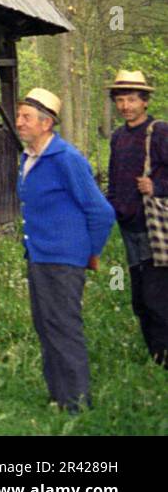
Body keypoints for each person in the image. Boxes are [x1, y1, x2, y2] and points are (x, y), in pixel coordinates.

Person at [15, 88, 115, 412]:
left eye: (26, 117)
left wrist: (89, 253)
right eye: (19, 116)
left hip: (62, 259)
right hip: (39, 255)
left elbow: (101, 211)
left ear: (46, 123)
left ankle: (77, 406)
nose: (19, 122)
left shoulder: (67, 159)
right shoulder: (28, 157)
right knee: (46, 325)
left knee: (65, 329)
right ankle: (58, 397)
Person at [104, 69, 168, 367]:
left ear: (144, 101)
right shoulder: (118, 137)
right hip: (128, 227)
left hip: (155, 227)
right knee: (140, 300)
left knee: (156, 297)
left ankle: (163, 359)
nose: (125, 106)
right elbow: (115, 181)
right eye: (120, 99)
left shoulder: (159, 131)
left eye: (131, 99)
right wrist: (107, 209)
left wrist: (158, 187)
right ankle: (155, 356)